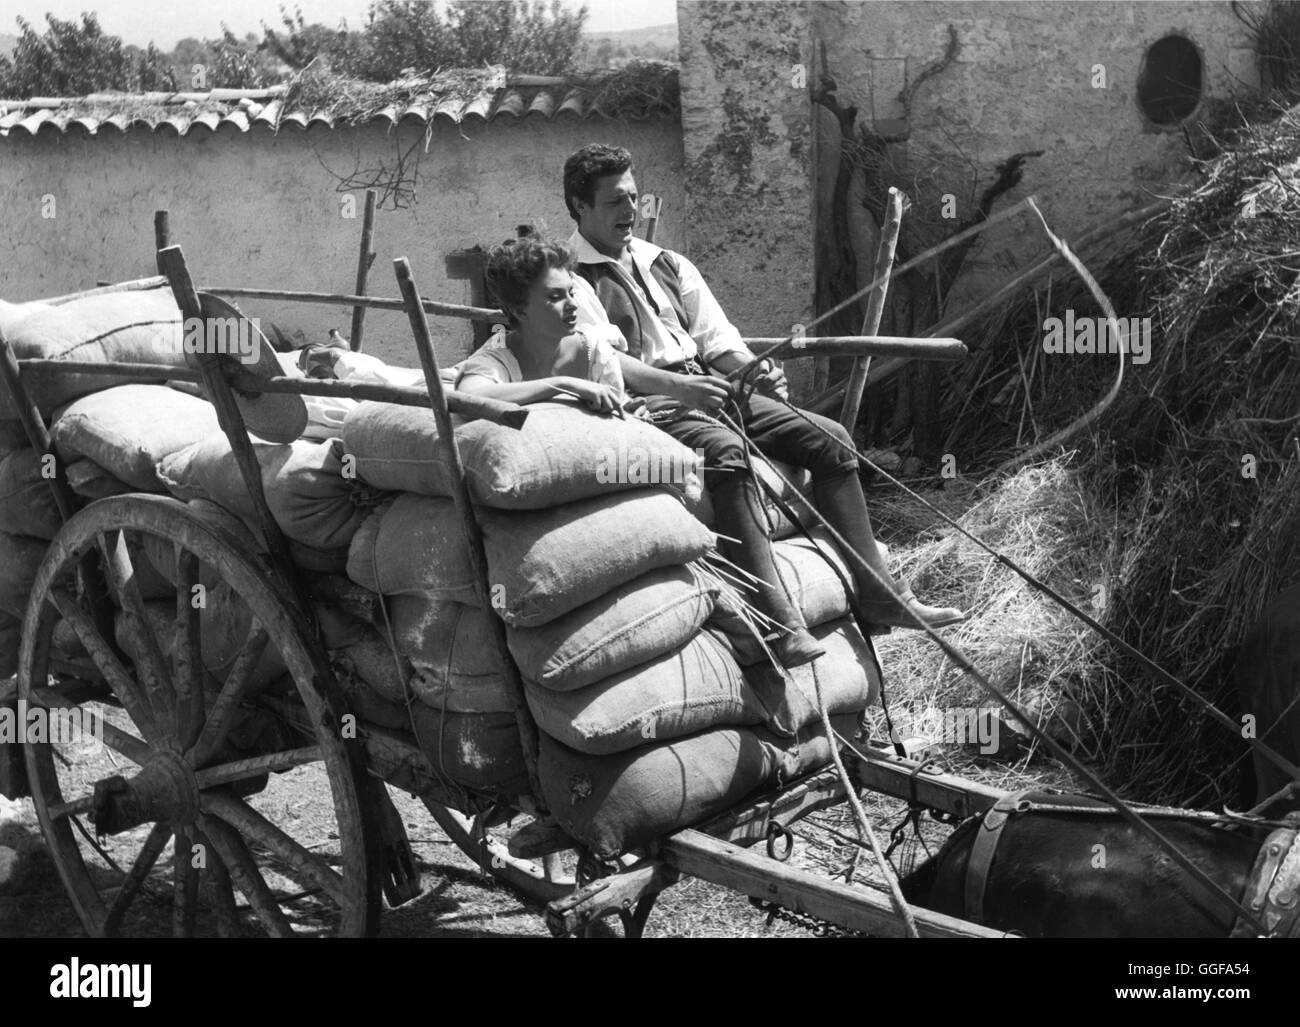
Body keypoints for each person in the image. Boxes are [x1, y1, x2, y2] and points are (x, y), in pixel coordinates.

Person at [561, 143, 963, 668]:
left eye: (634, 197)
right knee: (728, 454)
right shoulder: (570, 279)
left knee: (832, 440)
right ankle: (776, 622)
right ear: (579, 206)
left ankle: (882, 595)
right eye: (616, 202)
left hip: (708, 385)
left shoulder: (666, 263)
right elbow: (608, 363)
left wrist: (755, 372)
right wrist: (680, 389)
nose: (631, 211)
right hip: (648, 404)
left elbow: (718, 340)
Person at [456, 233, 629, 415]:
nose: (572, 305)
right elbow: (470, 398)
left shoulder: (593, 352)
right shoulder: (497, 358)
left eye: (571, 292)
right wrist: (562, 384)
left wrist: (626, 408)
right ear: (520, 310)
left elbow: (614, 404)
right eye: (555, 297)